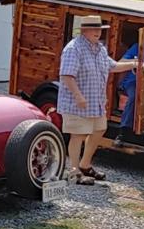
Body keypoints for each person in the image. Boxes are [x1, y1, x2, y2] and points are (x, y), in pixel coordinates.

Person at [57, 15, 137, 185]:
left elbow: (113, 66)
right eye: (94, 29)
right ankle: (73, 171)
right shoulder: (74, 48)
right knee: (78, 134)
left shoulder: (100, 49)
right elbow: (66, 75)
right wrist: (78, 96)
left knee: (100, 129)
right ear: (84, 31)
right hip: (77, 102)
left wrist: (134, 64)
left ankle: (85, 164)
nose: (97, 32)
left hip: (95, 102)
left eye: (100, 29)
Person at [115, 34, 144, 145]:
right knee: (134, 96)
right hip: (133, 81)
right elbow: (120, 62)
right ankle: (124, 131)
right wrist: (134, 64)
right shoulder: (138, 47)